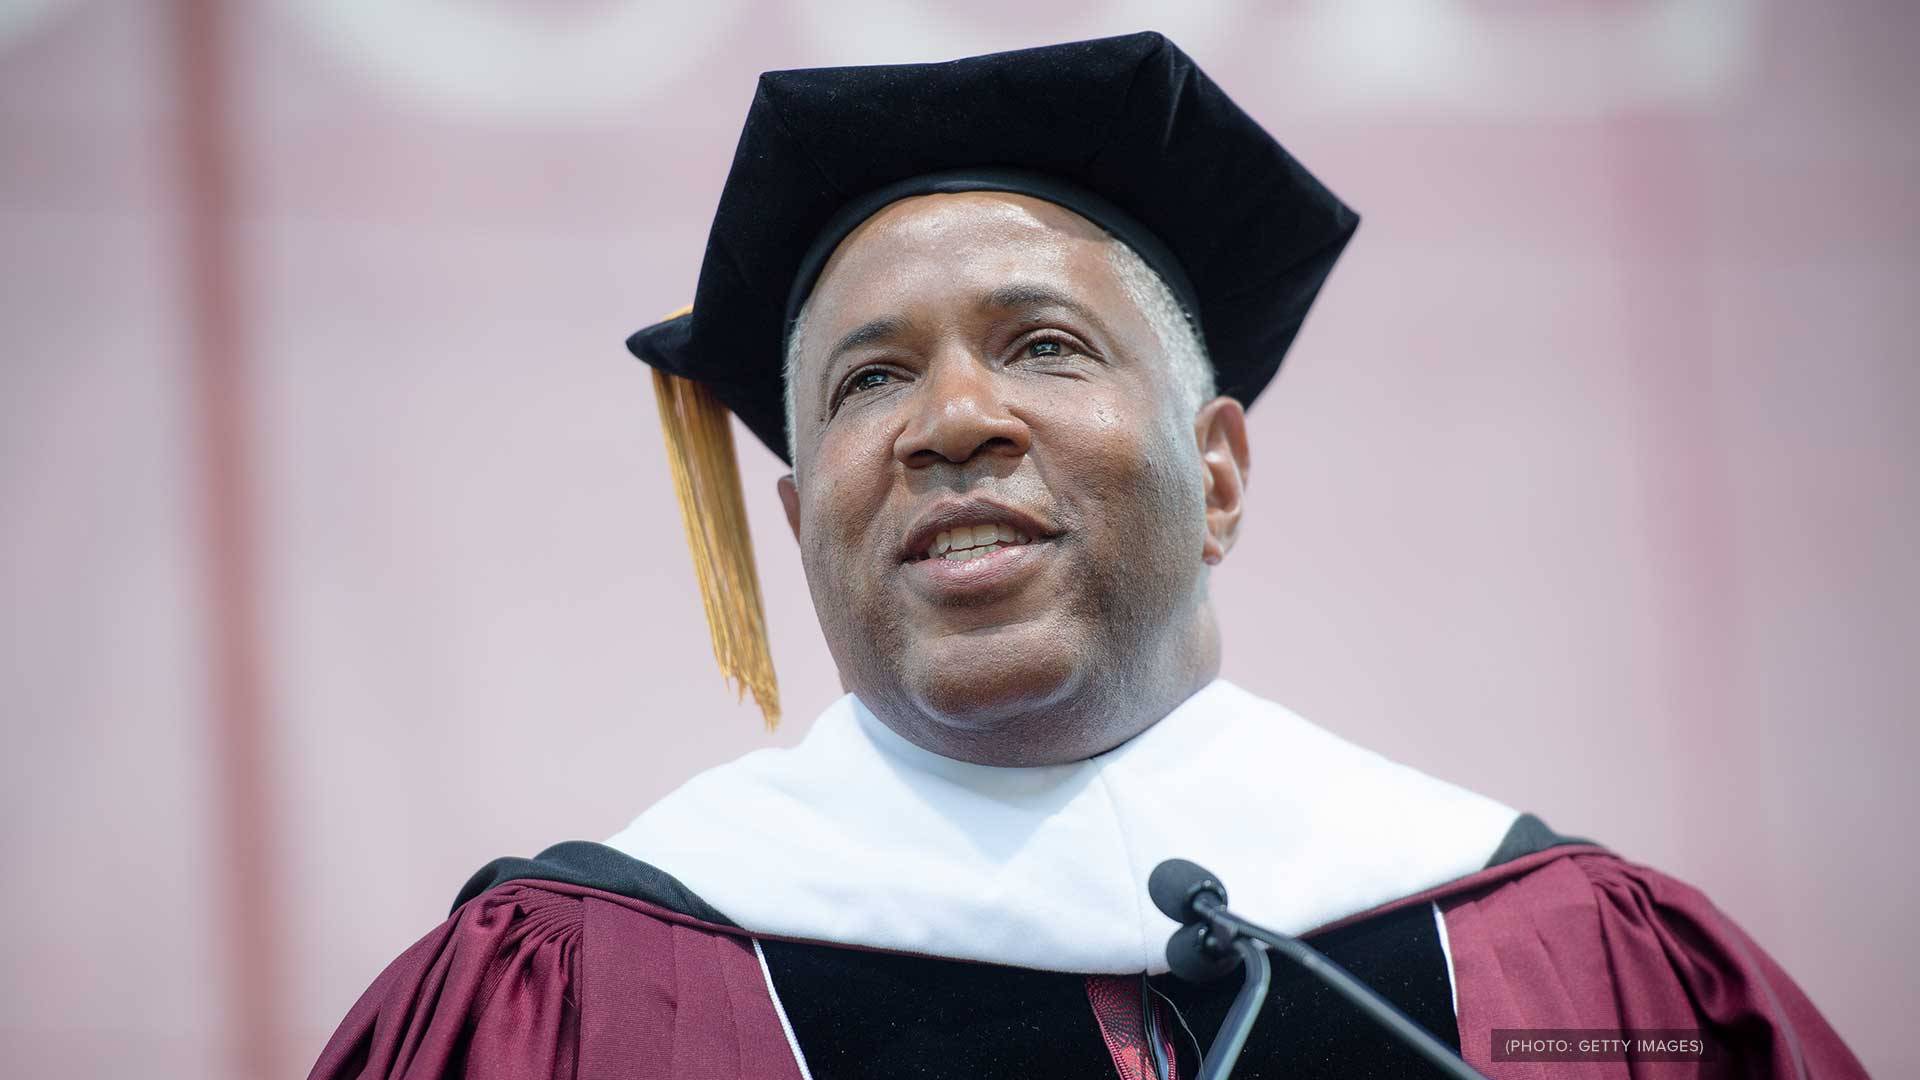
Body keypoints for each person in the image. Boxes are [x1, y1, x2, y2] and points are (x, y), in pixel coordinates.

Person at [310, 33, 1863, 1079]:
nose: (954, 421)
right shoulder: (569, 1004)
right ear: (798, 527)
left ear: (1220, 472)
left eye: (1044, 345)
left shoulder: (1579, 965)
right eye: (867, 382)